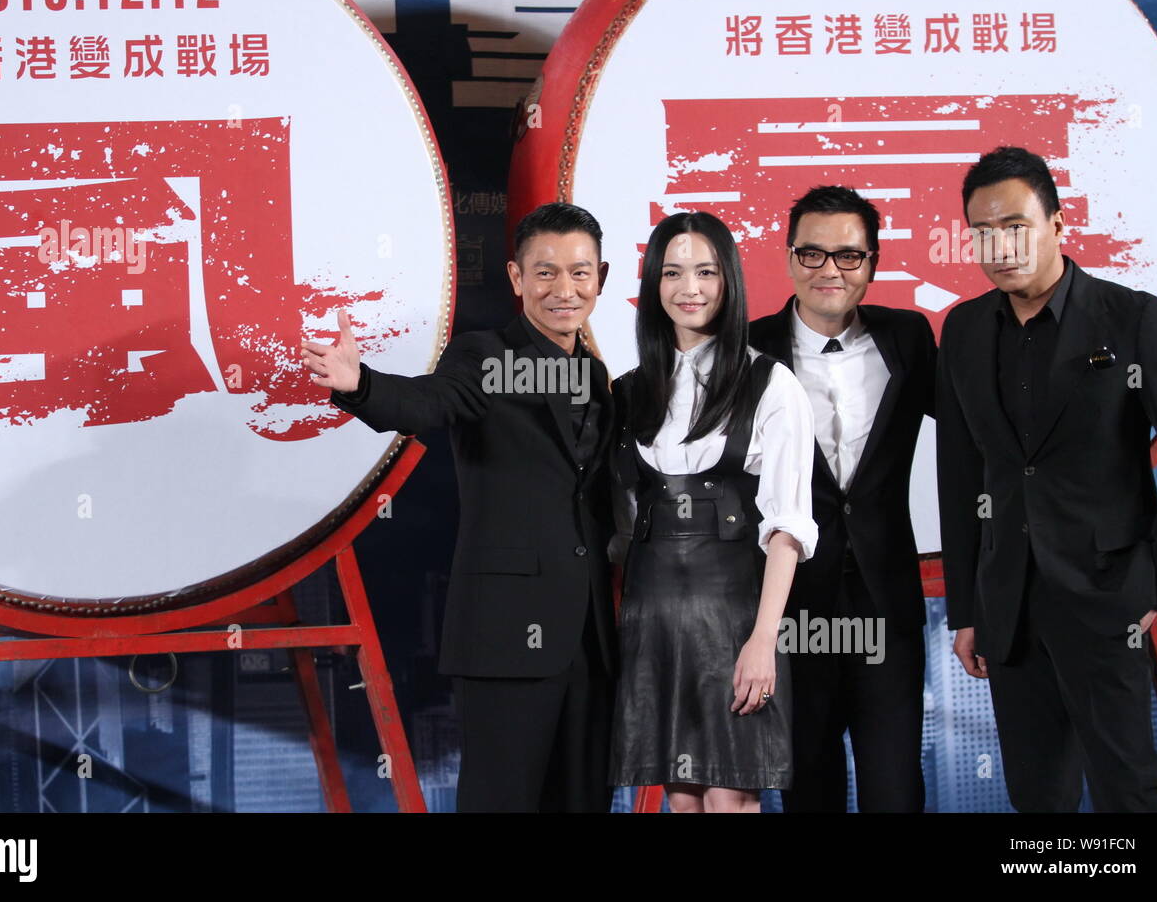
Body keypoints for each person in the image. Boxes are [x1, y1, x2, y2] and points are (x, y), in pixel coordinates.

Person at [302, 202, 618, 812]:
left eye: (580, 272)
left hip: (591, 638)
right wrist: (361, 385)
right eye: (545, 272)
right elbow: (429, 403)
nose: (564, 288)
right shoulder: (485, 356)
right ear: (515, 278)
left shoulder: (598, 376)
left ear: (600, 278)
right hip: (507, 634)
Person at [937, 146, 1157, 812]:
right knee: (1036, 797)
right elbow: (961, 479)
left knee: (1125, 791)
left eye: (1015, 224)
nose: (1000, 245)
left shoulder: (1131, 318)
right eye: (983, 231)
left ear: (1057, 222)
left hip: (1108, 601)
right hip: (1008, 608)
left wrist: (1154, 578)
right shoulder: (961, 330)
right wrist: (967, 609)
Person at [608, 210, 817, 813]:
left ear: (728, 281)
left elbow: (788, 528)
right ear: (653, 285)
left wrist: (762, 642)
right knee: (681, 797)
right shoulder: (627, 390)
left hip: (735, 617)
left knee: (732, 798)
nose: (689, 288)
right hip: (653, 615)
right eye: (672, 273)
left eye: (705, 271)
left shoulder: (771, 385)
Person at [748, 185, 935, 812]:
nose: (830, 269)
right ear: (788, 258)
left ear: (873, 264)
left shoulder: (909, 339)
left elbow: (981, 435)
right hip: (795, 607)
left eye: (849, 256)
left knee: (895, 789)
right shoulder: (747, 350)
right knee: (809, 786)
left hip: (887, 604)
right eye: (813, 253)